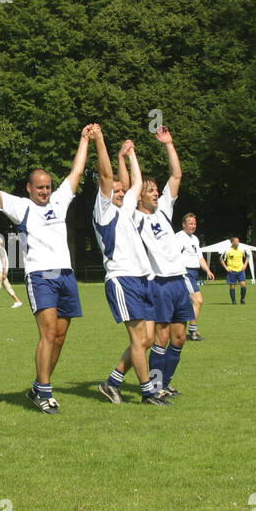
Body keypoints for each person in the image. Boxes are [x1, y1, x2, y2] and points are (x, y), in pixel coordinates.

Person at [0, 125, 91, 415]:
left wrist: (84, 140)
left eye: (47, 186)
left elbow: (77, 173)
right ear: (29, 188)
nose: (44, 191)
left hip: (65, 274)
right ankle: (44, 392)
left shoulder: (58, 200)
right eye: (39, 187)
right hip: (41, 275)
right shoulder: (21, 207)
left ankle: (39, 387)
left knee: (60, 336)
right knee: (48, 333)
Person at [93, 133, 168, 405]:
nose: (121, 193)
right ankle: (148, 392)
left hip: (141, 278)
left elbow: (136, 182)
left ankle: (112, 381)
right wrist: (101, 141)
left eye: (122, 192)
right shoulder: (103, 211)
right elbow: (105, 175)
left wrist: (131, 153)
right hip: (122, 279)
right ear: (106, 193)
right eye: (116, 191)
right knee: (139, 339)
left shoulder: (125, 209)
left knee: (147, 339)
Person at [132, 126, 193, 396]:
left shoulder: (164, 210)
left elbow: (177, 174)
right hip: (159, 284)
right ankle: (156, 386)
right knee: (162, 337)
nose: (156, 193)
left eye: (157, 189)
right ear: (140, 195)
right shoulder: (135, 218)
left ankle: (164, 383)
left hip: (180, 281)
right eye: (151, 190)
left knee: (179, 338)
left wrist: (169, 144)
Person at [176, 214, 215, 339]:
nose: (193, 226)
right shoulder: (179, 237)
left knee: (183, 303)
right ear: (184, 224)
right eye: (190, 223)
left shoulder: (195, 239)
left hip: (194, 273)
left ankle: (183, 330)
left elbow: (200, 257)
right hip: (185, 272)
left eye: (194, 224)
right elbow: (174, 255)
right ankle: (192, 332)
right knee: (198, 300)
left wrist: (208, 270)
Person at [0, 235, 22, 309]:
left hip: (0, 271)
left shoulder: (1, 250)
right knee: (7, 287)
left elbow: (4, 261)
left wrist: (4, 272)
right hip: (2, 271)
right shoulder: (1, 250)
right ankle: (18, 301)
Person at [223, 236, 249, 304]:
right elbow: (221, 259)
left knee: (243, 284)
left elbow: (248, 256)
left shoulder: (242, 250)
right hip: (232, 271)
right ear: (232, 242)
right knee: (232, 286)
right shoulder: (227, 250)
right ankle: (233, 301)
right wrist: (226, 267)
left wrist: (245, 264)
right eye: (236, 241)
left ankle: (242, 299)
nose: (238, 243)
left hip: (240, 270)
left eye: (238, 241)